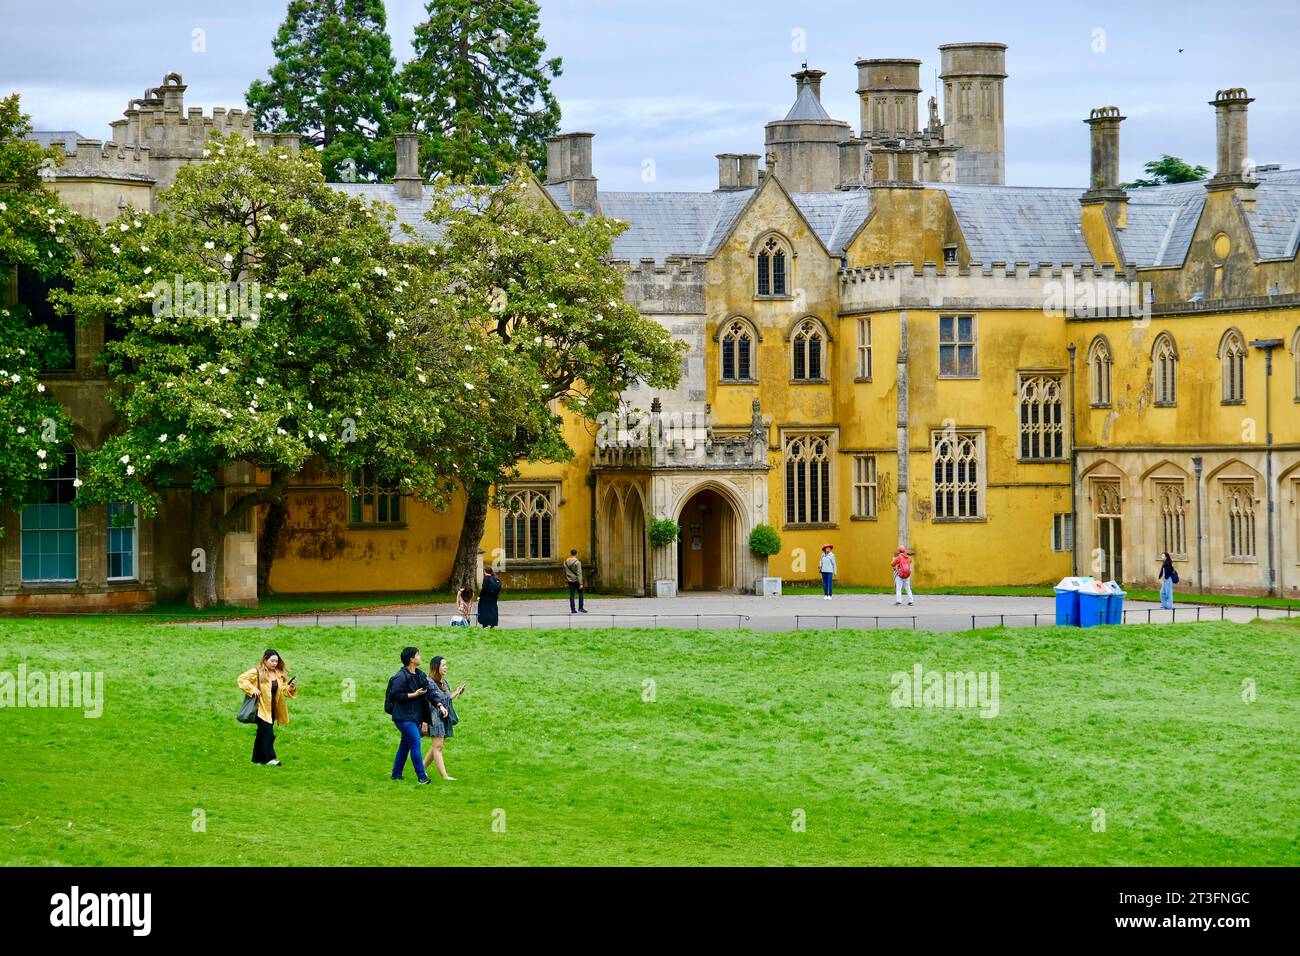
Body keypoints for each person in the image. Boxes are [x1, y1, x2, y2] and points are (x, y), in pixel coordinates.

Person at [237, 649, 297, 766]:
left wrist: (290, 687)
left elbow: (283, 691)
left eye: (276, 661)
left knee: (261, 734)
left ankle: (257, 760)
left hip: (273, 710)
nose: (274, 663)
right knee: (268, 733)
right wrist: (252, 689)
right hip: (261, 709)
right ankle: (270, 758)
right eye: (272, 661)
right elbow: (241, 679)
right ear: (265, 660)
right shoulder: (257, 672)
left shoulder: (278, 674)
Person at [385, 646, 431, 784]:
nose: (420, 657)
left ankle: (396, 774)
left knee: (405, 746)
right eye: (418, 655)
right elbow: (396, 695)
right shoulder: (400, 676)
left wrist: (426, 719)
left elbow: (427, 695)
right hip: (403, 718)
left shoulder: (420, 675)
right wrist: (414, 695)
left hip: (414, 717)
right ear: (411, 659)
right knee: (415, 744)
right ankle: (422, 777)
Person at [422, 655, 466, 781]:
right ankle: (445, 776)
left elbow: (445, 698)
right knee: (438, 747)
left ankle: (420, 769)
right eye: (443, 665)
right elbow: (427, 701)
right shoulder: (429, 682)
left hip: (443, 716)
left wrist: (456, 693)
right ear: (436, 667)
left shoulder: (443, 681)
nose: (446, 667)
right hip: (434, 717)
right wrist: (425, 721)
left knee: (437, 746)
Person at [565, 548, 587, 613]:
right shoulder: (577, 562)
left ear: (570, 553)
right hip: (577, 581)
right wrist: (581, 583)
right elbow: (579, 573)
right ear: (576, 554)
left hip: (570, 580)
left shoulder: (566, 562)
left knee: (571, 595)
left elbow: (566, 571)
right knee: (581, 594)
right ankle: (580, 608)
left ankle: (573, 609)